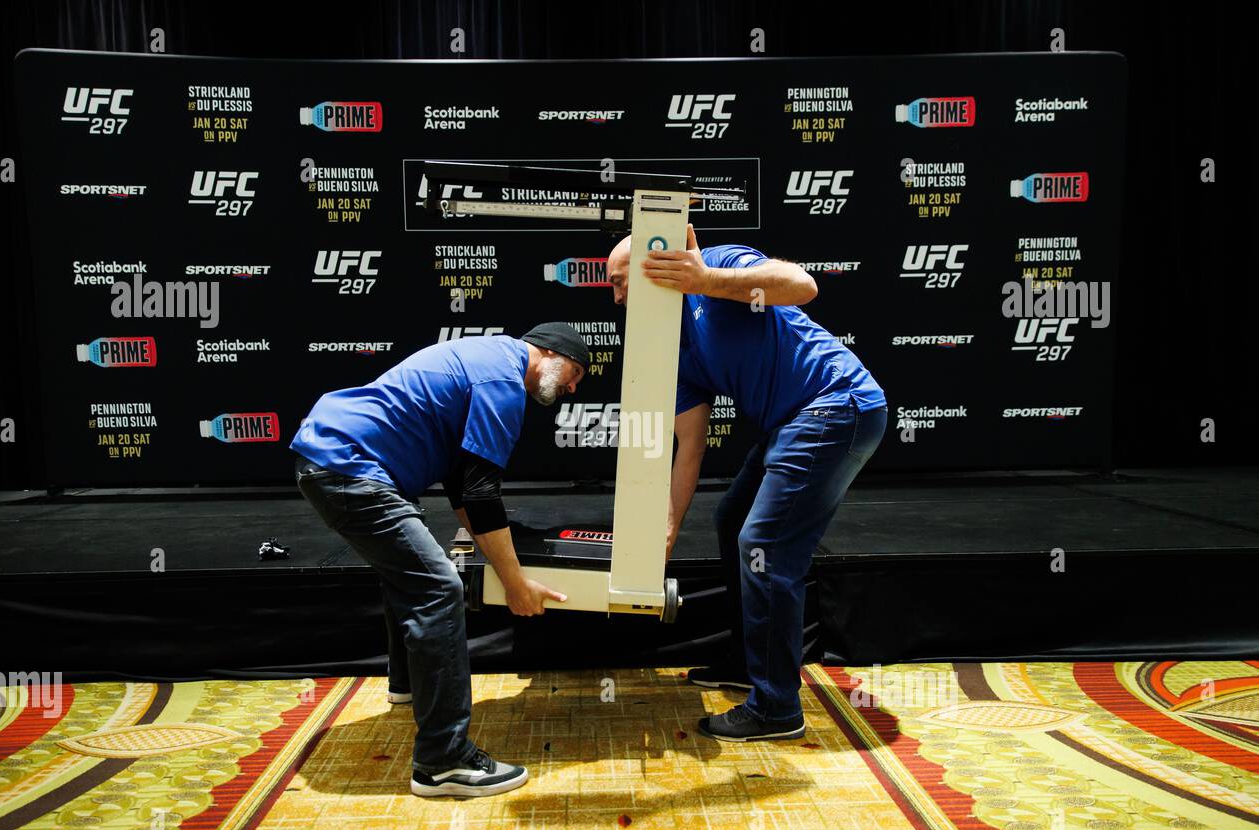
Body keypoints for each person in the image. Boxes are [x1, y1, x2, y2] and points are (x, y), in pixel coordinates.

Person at [606, 225, 887, 742]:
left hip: (836, 404)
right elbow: (689, 445)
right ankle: (746, 663)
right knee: (732, 517)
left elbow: (801, 286)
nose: (618, 298)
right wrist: (667, 527)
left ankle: (777, 707)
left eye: (623, 282)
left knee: (765, 544)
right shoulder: (671, 345)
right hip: (794, 420)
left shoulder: (717, 264)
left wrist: (707, 278)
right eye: (613, 289)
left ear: (658, 268)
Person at [290, 322, 588, 796]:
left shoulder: (487, 358)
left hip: (332, 460)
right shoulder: (503, 383)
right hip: (350, 468)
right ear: (549, 353)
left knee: (408, 575)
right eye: (574, 372)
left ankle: (407, 687)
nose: (573, 387)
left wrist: (494, 556)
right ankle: (442, 762)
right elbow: (482, 493)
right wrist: (514, 583)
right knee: (439, 587)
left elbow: (460, 487)